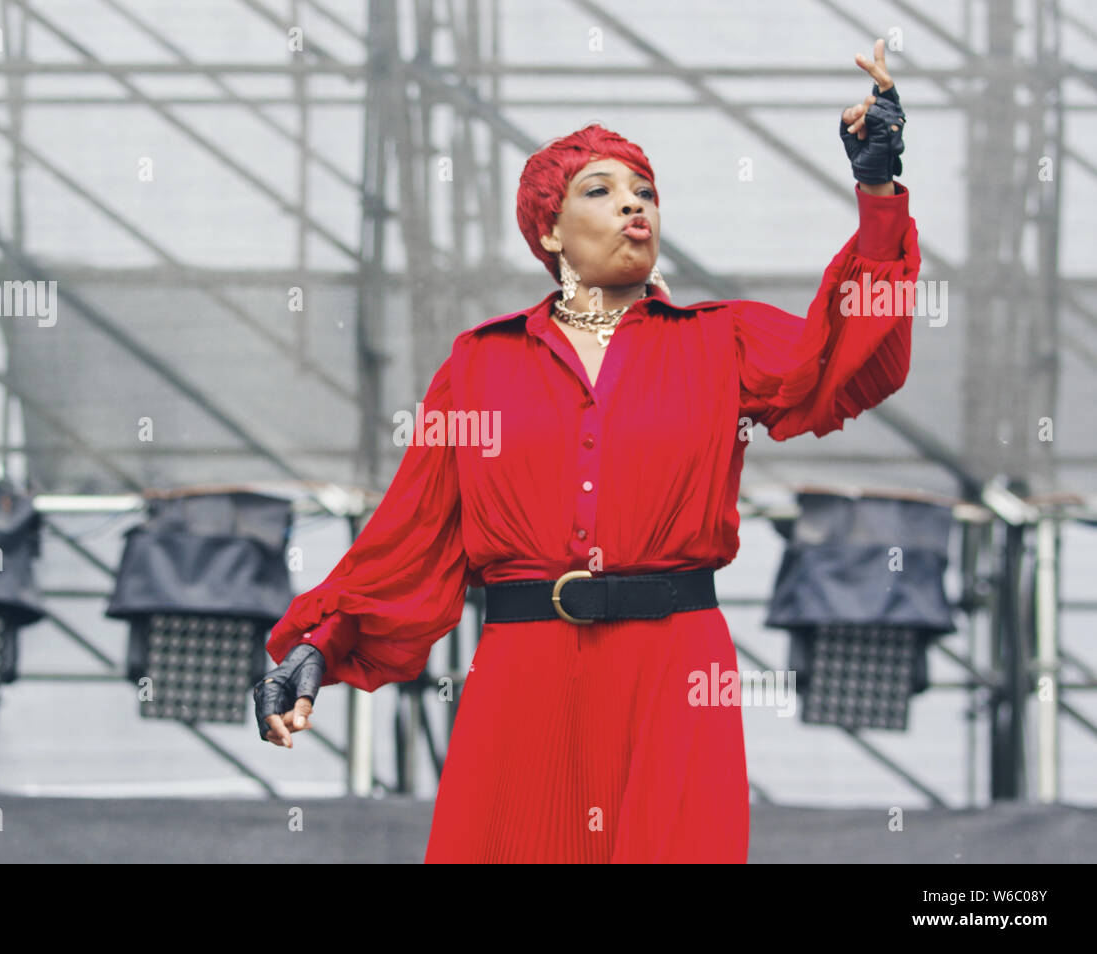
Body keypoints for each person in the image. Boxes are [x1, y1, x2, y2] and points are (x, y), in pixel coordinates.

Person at [255, 39, 918, 863]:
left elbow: (849, 357)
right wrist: (317, 644)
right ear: (550, 230)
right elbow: (413, 535)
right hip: (524, 674)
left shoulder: (721, 341)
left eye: (646, 192)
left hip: (676, 668)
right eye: (600, 191)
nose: (634, 203)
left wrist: (878, 190)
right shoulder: (479, 364)